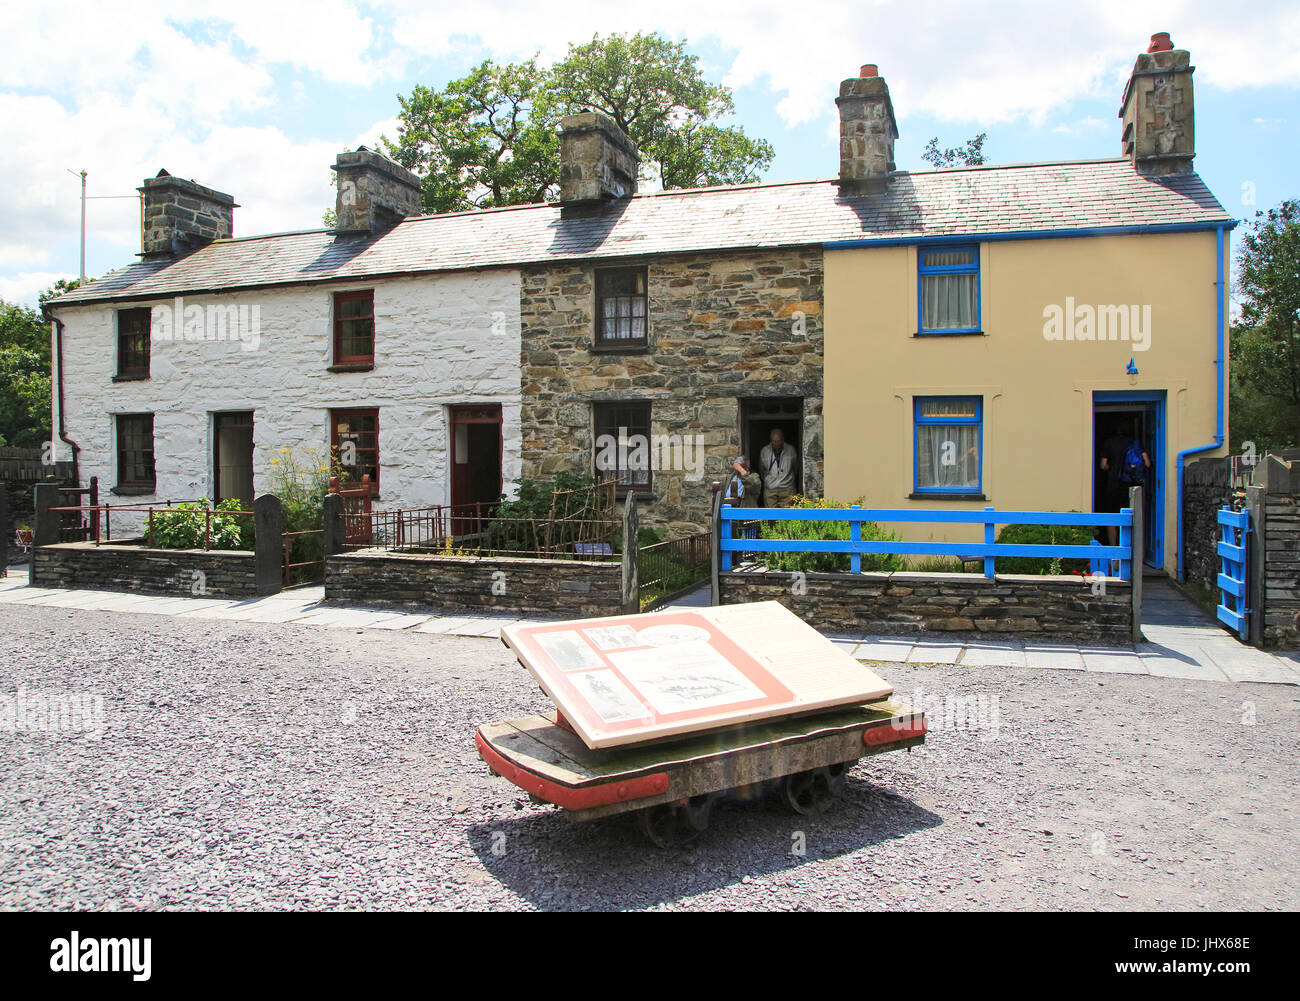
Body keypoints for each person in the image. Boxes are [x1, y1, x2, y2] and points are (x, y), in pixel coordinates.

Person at [1099, 423, 1150, 548]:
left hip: (1113, 485)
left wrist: (1113, 468)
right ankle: (1132, 548)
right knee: (1132, 518)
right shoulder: (1135, 443)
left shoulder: (1109, 443)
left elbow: (1103, 465)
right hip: (1131, 487)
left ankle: (1114, 549)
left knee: (1112, 518)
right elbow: (1147, 463)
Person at [759, 429, 798, 507]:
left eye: (778, 441)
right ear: (770, 441)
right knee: (770, 517)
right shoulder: (764, 451)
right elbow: (761, 470)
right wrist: (768, 480)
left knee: (787, 517)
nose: (776, 444)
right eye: (774, 441)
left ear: (783, 440)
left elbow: (796, 468)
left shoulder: (791, 450)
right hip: (770, 489)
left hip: (787, 489)